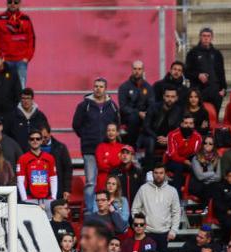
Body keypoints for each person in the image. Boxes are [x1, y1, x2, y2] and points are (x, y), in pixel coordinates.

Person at [73, 77, 120, 211]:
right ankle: (90, 209)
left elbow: (116, 124)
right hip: (90, 149)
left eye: (101, 86)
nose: (98, 89)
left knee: (109, 181)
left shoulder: (112, 106)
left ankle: (110, 207)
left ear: (106, 89)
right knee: (90, 181)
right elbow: (76, 124)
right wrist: (86, 136)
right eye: (96, 86)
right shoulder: (84, 105)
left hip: (107, 149)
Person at [131, 163, 181, 252]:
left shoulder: (172, 191)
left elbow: (176, 212)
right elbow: (135, 209)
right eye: (156, 173)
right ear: (152, 174)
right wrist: (139, 225)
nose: (158, 175)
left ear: (165, 174)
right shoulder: (143, 189)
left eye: (161, 173)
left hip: (164, 234)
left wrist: (173, 230)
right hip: (146, 233)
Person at [0, 0, 35, 88]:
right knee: (4, 88)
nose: (13, 4)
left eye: (16, 2)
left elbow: (31, 39)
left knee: (20, 88)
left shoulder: (26, 19)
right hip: (5, 61)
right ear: (7, 3)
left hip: (21, 61)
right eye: (10, 2)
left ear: (20, 4)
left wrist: (27, 57)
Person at [185, 28, 227, 112]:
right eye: (204, 36)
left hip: (215, 91)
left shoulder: (217, 53)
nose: (206, 38)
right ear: (200, 37)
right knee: (199, 118)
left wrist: (223, 89)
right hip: (199, 91)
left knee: (214, 119)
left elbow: (221, 72)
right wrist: (198, 75)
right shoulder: (192, 53)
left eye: (208, 36)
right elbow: (186, 72)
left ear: (212, 38)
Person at [16, 130, 57, 212]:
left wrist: (53, 197)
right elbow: (20, 181)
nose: (35, 141)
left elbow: (53, 179)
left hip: (48, 199)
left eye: (37, 139)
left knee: (48, 223)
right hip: (30, 200)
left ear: (42, 141)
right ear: (28, 141)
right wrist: (25, 199)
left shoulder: (50, 158)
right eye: (32, 139)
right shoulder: (22, 159)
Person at [117, 60, 154, 146]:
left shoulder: (148, 87)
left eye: (139, 69)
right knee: (133, 118)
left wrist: (147, 114)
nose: (137, 71)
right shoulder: (124, 87)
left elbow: (151, 104)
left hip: (145, 117)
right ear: (132, 70)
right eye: (135, 69)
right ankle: (132, 147)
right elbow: (123, 107)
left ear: (143, 70)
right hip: (128, 117)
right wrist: (138, 113)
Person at [164, 114, 201, 192]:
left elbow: (197, 153)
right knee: (179, 167)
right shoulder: (172, 135)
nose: (188, 126)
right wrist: (184, 161)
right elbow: (172, 155)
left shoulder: (198, 137)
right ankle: (176, 195)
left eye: (191, 123)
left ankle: (193, 194)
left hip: (189, 160)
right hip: (172, 161)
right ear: (181, 124)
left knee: (198, 168)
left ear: (194, 125)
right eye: (186, 123)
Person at [39, 125, 73, 200]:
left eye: (45, 137)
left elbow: (67, 169)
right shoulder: (32, 149)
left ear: (50, 134)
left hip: (58, 189)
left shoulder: (60, 147)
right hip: (39, 188)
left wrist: (67, 189)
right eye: (41, 138)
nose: (43, 140)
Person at [190, 135, 221, 203]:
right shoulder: (196, 158)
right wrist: (213, 173)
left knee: (216, 187)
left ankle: (210, 209)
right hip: (198, 185)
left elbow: (218, 176)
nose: (207, 145)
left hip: (212, 184)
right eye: (205, 143)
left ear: (214, 146)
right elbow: (200, 176)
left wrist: (207, 178)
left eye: (210, 143)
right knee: (211, 189)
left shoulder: (217, 158)